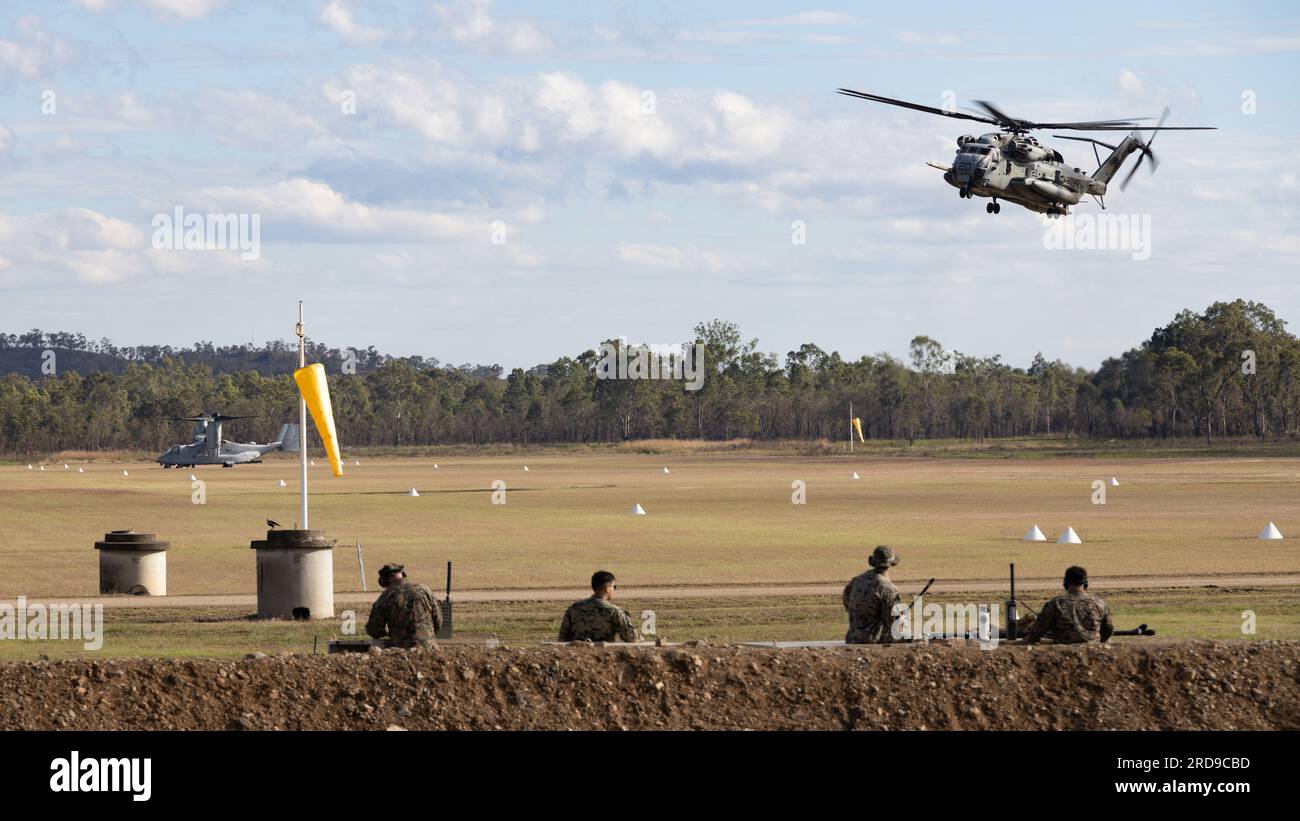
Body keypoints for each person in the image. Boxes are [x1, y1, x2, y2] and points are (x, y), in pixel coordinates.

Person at [1022, 565, 1113, 644]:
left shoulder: (1055, 604)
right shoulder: (1100, 603)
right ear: (1085, 583)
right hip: (1092, 650)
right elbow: (1107, 630)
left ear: (1065, 582)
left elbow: (1036, 633)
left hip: (1063, 652)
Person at [365, 563, 442, 649]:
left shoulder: (385, 597)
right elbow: (438, 620)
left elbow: (374, 629)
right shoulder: (424, 590)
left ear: (385, 580)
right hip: (429, 647)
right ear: (403, 574)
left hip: (401, 650)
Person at [558, 570, 640, 642]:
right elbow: (632, 637)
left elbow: (562, 638)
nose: (614, 589)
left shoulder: (574, 608)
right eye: (614, 586)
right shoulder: (615, 612)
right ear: (607, 589)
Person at [843, 545, 902, 644]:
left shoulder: (857, 580)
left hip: (852, 637)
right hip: (874, 639)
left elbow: (847, 603)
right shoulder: (888, 589)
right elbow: (892, 623)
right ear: (890, 564)